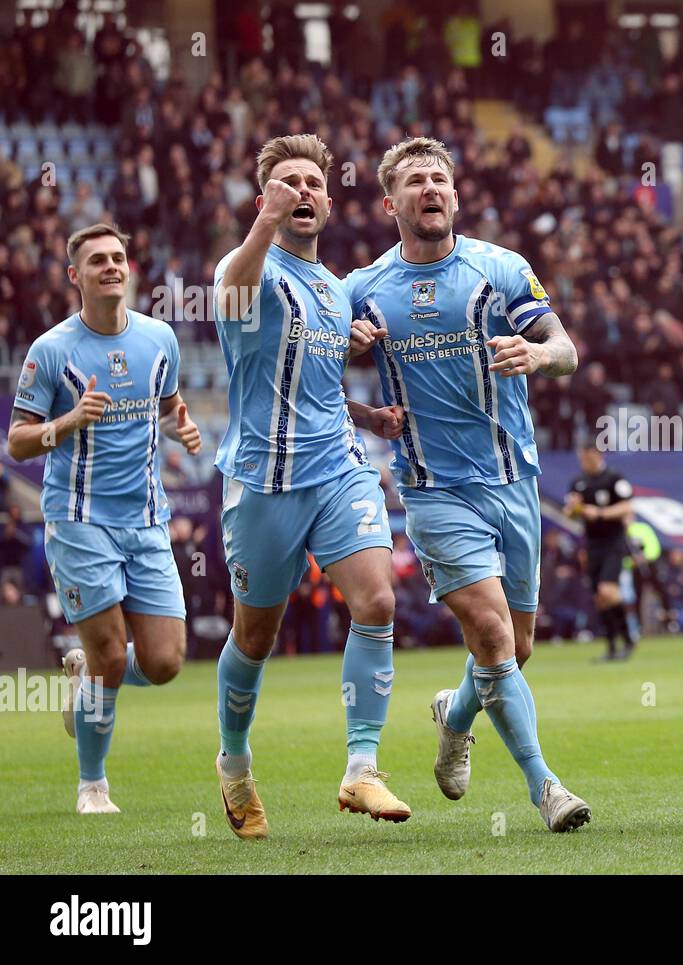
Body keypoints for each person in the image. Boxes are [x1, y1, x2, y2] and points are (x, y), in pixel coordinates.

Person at [345, 136, 590, 832]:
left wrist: (536, 353)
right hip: (431, 487)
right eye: (416, 181)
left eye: (440, 180)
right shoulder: (362, 288)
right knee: (489, 633)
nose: (431, 190)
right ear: (391, 201)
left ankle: (454, 720)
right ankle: (547, 788)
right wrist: (364, 407)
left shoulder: (501, 268)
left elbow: (567, 351)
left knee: (516, 645)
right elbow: (304, 380)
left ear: (455, 194)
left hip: (514, 480)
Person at [210, 134, 410, 839]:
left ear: (328, 200)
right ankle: (233, 760)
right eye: (286, 182)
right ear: (265, 197)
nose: (302, 191)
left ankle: (361, 766)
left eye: (312, 183)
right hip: (263, 481)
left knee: (378, 598)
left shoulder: (334, 289)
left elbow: (315, 390)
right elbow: (235, 287)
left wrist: (367, 415)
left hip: (337, 468)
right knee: (255, 637)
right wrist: (263, 221)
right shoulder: (247, 272)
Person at [8, 223, 203, 814]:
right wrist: (69, 422)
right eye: (98, 261)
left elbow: (167, 404)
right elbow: (17, 443)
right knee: (112, 657)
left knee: (166, 662)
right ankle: (92, 785)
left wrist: (181, 426)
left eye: (119, 257)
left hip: (147, 520)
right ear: (76, 277)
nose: (112, 267)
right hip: (78, 521)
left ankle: (85, 676)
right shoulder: (50, 350)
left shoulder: (160, 338)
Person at [565, 445, 637, 661]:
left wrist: (600, 513)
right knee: (600, 598)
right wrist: (574, 510)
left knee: (608, 591)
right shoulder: (578, 483)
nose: (584, 463)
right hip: (592, 545)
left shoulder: (614, 479)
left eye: (588, 458)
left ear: (598, 455)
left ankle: (628, 638)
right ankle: (613, 646)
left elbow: (627, 508)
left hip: (613, 543)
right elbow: (570, 514)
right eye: (582, 459)